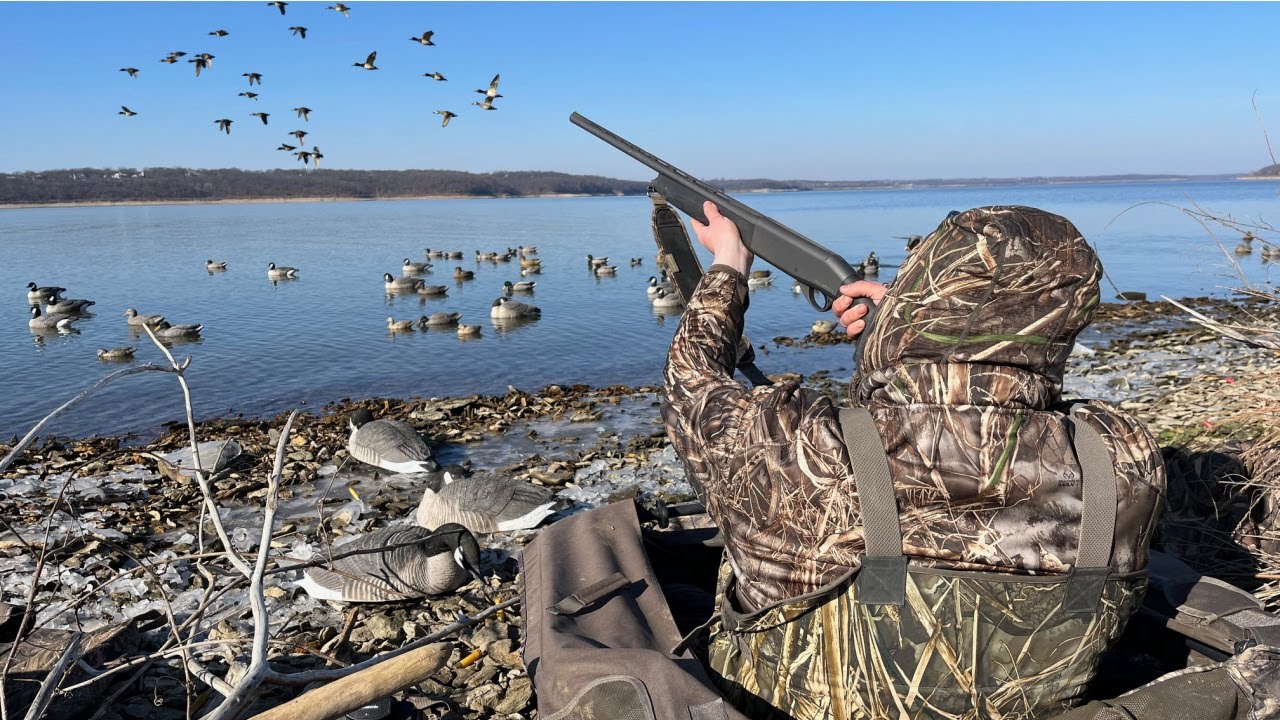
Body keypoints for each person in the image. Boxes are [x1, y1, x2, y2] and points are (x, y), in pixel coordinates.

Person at [662, 202, 1167, 719]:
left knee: (671, 594)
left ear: (920, 292)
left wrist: (729, 265)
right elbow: (1000, 419)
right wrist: (903, 343)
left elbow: (689, 382)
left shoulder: (800, 447)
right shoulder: (1123, 460)